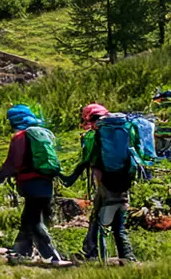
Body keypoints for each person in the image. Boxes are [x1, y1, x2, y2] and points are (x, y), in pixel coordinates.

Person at [61, 104, 137, 262]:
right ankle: (126, 257)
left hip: (106, 186)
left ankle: (94, 256)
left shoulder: (98, 137)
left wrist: (69, 178)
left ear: (90, 119)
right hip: (123, 186)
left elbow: (88, 161)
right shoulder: (123, 132)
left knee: (101, 222)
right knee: (118, 226)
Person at [0, 104, 65, 264]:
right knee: (28, 218)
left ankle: (53, 256)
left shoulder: (20, 137)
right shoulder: (42, 134)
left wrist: (1, 175)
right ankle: (21, 252)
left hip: (30, 183)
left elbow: (14, 162)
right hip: (46, 183)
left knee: (34, 222)